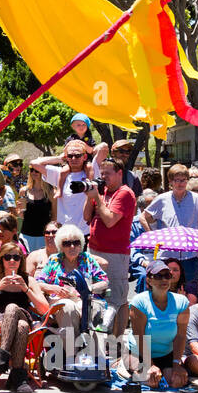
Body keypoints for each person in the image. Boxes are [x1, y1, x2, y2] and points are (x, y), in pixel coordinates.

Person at [0, 243, 49, 392]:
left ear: (21, 260)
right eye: (8, 257)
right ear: (1, 259)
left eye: (16, 257)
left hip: (23, 313)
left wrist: (26, 289)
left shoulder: (28, 280)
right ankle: (18, 377)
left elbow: (45, 309)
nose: (12, 261)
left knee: (12, 308)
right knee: (21, 326)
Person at [83, 157, 137, 337]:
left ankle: (116, 341)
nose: (103, 177)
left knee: (117, 299)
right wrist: (89, 195)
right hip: (94, 250)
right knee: (98, 296)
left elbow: (110, 221)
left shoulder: (125, 193)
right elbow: (86, 217)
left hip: (115, 254)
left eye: (108, 173)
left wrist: (97, 198)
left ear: (119, 173)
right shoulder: (102, 191)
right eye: (102, 173)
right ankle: (100, 336)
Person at [142, 163, 198, 285]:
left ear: (187, 181)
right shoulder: (162, 199)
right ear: (170, 182)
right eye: (176, 180)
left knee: (190, 290)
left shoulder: (197, 199)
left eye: (183, 180)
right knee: (166, 289)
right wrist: (153, 237)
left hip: (190, 255)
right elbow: (143, 217)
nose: (180, 184)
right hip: (167, 255)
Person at [122, 259, 189, 388]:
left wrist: (176, 364)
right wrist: (150, 365)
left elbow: (181, 336)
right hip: (139, 353)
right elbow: (139, 336)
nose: (164, 280)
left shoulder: (182, 302)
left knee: (175, 381)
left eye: (167, 276)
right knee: (150, 380)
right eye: (158, 276)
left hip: (166, 354)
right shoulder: (139, 302)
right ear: (149, 280)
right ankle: (124, 363)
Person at [35, 226, 108, 334]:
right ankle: (74, 347)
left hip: (83, 300)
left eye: (76, 242)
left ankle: (72, 344)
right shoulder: (54, 260)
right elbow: (38, 283)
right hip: (60, 300)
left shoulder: (87, 259)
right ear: (61, 246)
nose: (72, 246)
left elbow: (104, 281)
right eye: (67, 243)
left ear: (81, 244)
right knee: (67, 306)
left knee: (85, 308)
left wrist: (89, 288)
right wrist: (53, 288)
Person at [30, 141, 106, 234]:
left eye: (78, 156)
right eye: (70, 156)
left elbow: (104, 147)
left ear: (84, 157)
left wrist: (84, 146)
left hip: (87, 231)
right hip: (65, 231)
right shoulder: (59, 173)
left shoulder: (92, 171)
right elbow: (34, 163)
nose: (74, 158)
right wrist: (60, 158)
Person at [18, 167, 54, 253]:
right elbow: (21, 216)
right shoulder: (24, 191)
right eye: (31, 170)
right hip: (26, 235)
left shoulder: (51, 192)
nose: (34, 172)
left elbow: (54, 216)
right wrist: (19, 210)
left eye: (37, 170)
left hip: (44, 236)